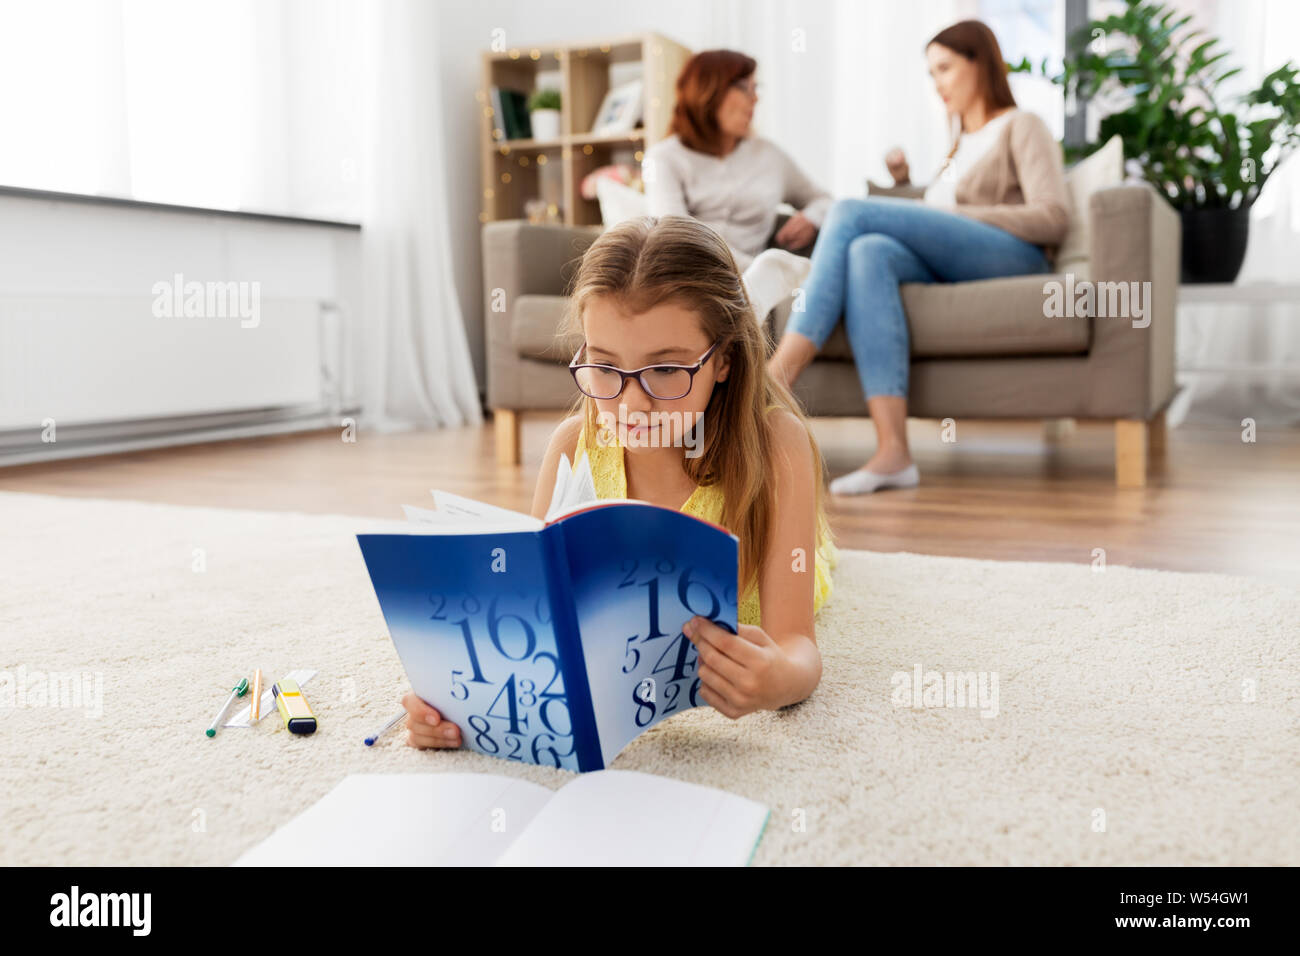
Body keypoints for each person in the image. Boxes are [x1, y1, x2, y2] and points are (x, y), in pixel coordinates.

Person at [402, 215, 840, 747]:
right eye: (605, 366)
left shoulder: (776, 446)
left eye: (666, 370)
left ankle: (758, 290)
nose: (632, 404)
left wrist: (778, 679)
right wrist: (457, 703)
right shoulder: (573, 447)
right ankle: (747, 297)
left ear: (723, 360)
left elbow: (798, 648)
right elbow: (534, 621)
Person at [766, 19, 1071, 495]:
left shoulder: (1021, 125)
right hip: (958, 258)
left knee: (847, 212)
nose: (937, 83)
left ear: (981, 63)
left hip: (1014, 255)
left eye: (945, 68)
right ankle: (894, 453)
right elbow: (936, 218)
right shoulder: (957, 143)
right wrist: (909, 186)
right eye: (931, 73)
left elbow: (1053, 217)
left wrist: (957, 213)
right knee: (867, 253)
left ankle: (775, 379)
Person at [644, 49, 831, 325]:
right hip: (691, 272)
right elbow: (675, 235)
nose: (755, 99)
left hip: (751, 284)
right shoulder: (663, 158)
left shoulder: (770, 156)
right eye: (744, 88)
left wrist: (812, 218)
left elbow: (826, 199)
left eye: (756, 89)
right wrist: (759, 270)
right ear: (708, 93)